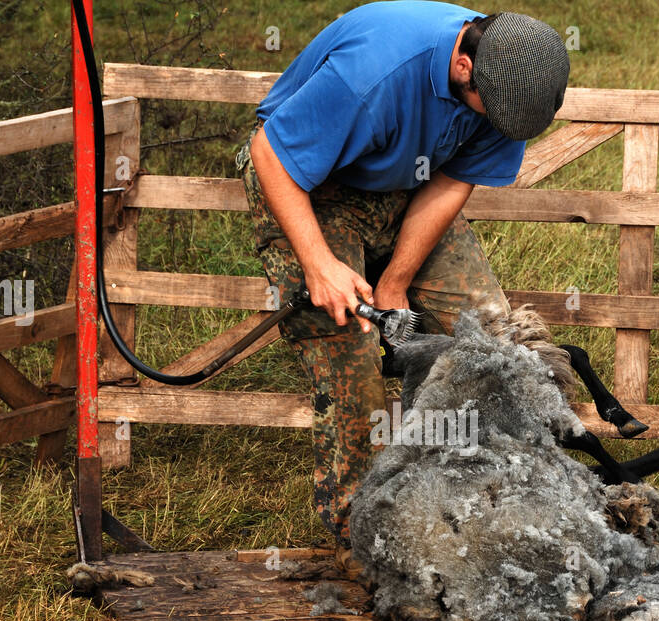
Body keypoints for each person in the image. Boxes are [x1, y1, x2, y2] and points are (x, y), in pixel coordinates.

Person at [237, 1, 570, 574]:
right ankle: (367, 537)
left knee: (492, 336)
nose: (496, 128)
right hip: (309, 181)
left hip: (404, 185)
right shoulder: (376, 71)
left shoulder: (512, 82)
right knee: (349, 344)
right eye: (488, 114)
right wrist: (318, 265)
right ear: (463, 66)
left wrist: (395, 283)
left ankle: (504, 508)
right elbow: (272, 153)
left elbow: (452, 179)